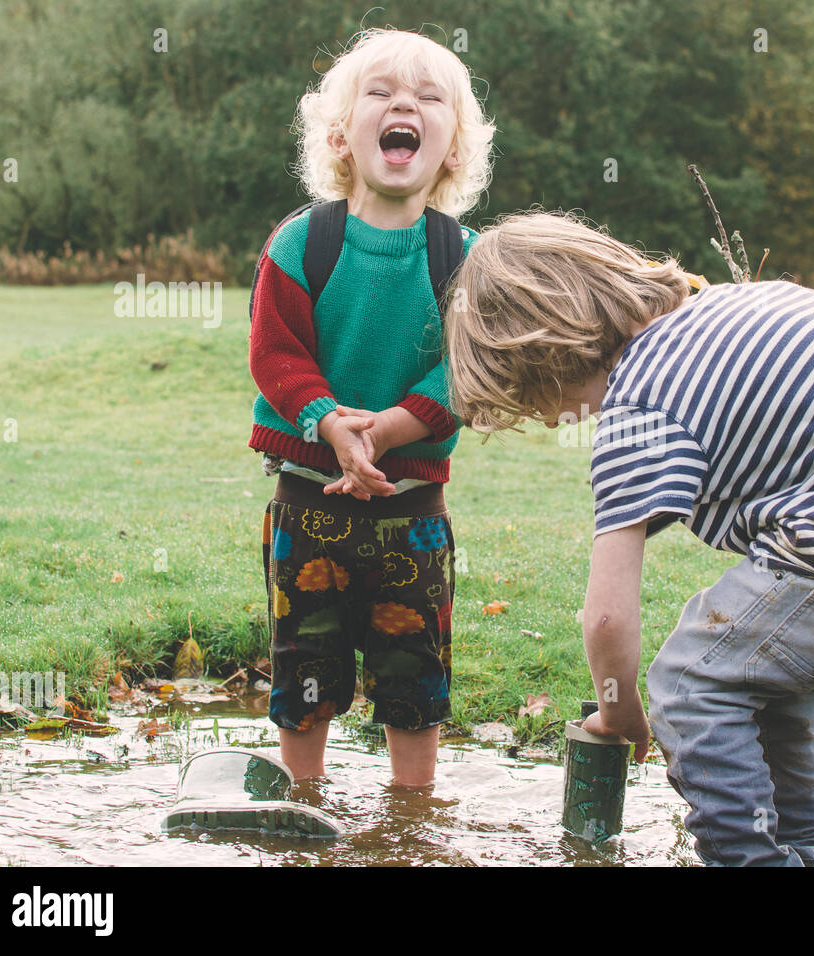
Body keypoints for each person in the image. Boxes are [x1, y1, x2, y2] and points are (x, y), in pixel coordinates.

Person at [443, 211, 814, 864]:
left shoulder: (638, 409)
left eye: (535, 405)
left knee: (690, 680)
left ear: (540, 366)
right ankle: (798, 849)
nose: (551, 421)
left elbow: (605, 617)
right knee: (764, 672)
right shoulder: (746, 300)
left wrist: (623, 712)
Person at [248, 28, 493, 787]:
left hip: (411, 512)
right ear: (340, 136)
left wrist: (387, 431)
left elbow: (468, 369)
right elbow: (276, 353)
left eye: (427, 98)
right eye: (381, 94)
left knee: (413, 678)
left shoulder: (466, 258)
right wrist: (327, 420)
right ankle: (303, 799)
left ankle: (409, 819)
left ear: (453, 147)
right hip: (307, 503)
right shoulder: (302, 243)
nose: (403, 106)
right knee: (305, 667)